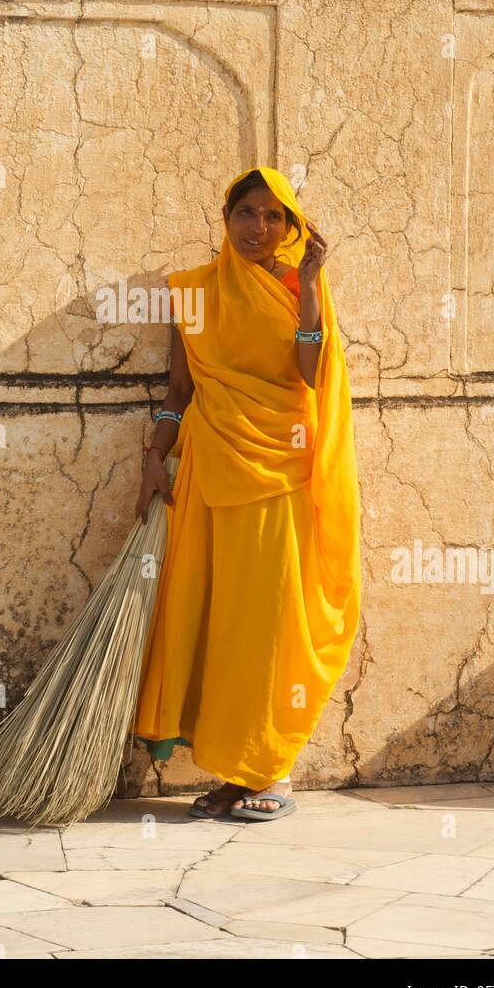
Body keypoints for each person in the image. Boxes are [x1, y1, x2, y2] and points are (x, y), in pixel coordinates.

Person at [130, 165, 361, 819]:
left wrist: (311, 284)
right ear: (225, 217)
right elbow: (179, 394)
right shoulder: (195, 293)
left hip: (278, 472)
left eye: (272, 217)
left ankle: (273, 773)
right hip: (207, 471)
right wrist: (155, 457)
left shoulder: (297, 286)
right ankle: (234, 773)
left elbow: (313, 374)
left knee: (266, 625)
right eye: (246, 214)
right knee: (218, 623)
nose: (257, 228)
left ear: (290, 227)